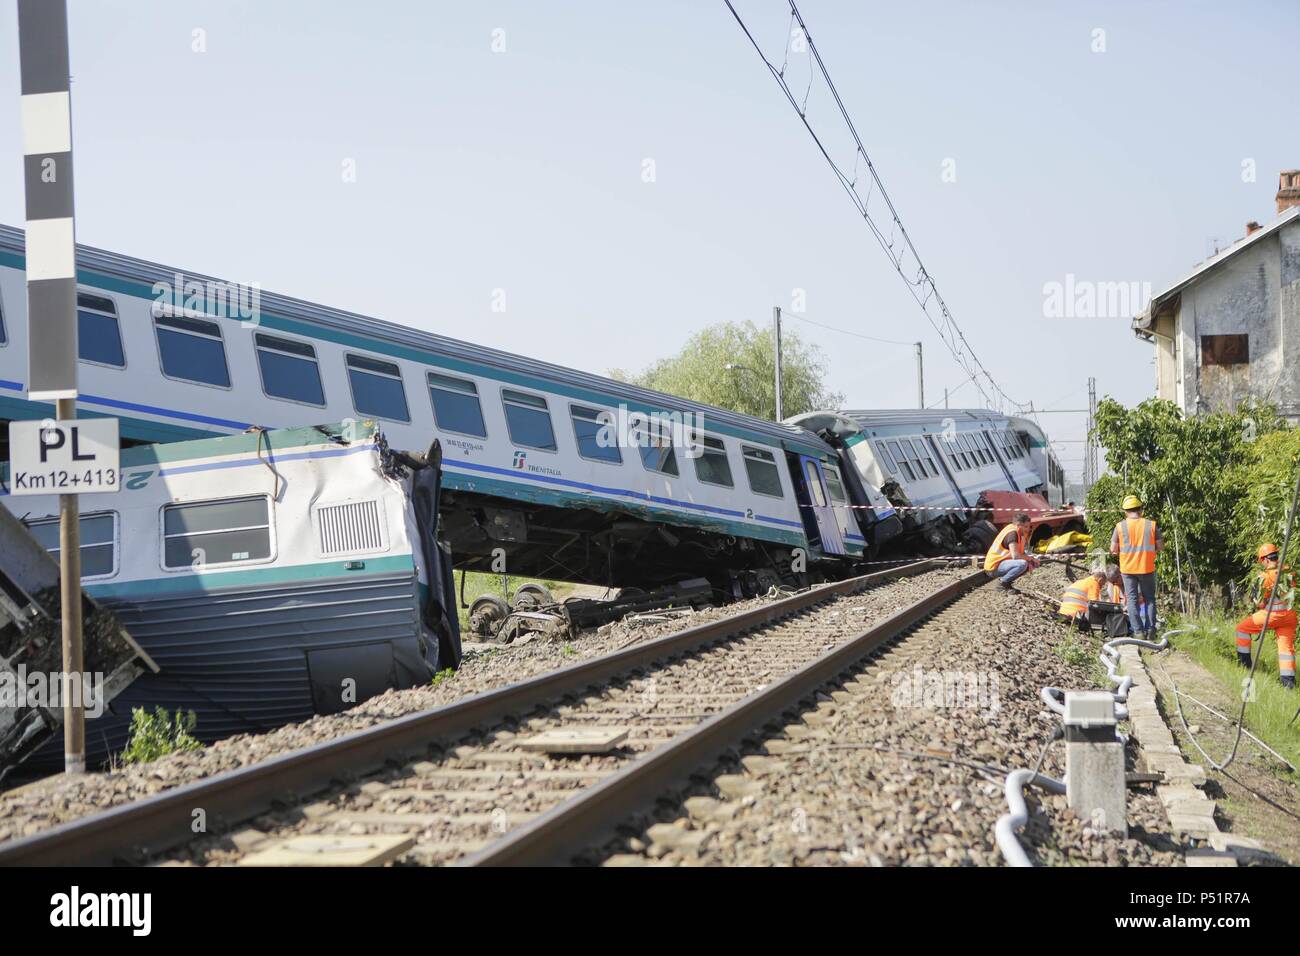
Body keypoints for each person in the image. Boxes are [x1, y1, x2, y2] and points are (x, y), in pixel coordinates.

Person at [1234, 543, 1296, 689]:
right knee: (1286, 650)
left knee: (1241, 629)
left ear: (1265, 560)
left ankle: (1244, 665)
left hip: (1272, 615)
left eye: (1261, 561)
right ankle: (1288, 684)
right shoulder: (1289, 571)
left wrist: (1256, 599)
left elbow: (1261, 604)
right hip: (1289, 616)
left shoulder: (1264, 577)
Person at [1110, 494, 1162, 639]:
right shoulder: (1151, 525)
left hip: (1128, 569)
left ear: (1125, 511)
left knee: (1132, 599)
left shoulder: (1120, 527)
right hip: (1146, 567)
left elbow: (1113, 549)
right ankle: (1151, 630)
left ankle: (1138, 632)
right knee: (1149, 598)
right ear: (1140, 509)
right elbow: (1160, 546)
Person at [984, 513, 1038, 589]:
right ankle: (1002, 583)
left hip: (999, 564)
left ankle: (1007, 583)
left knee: (1028, 564)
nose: (1028, 529)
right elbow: (1015, 556)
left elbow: (1021, 553)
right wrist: (1030, 559)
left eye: (1029, 526)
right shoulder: (1012, 534)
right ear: (1018, 525)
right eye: (1026, 526)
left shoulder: (1018, 533)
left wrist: (1030, 561)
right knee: (1022, 564)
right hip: (993, 567)